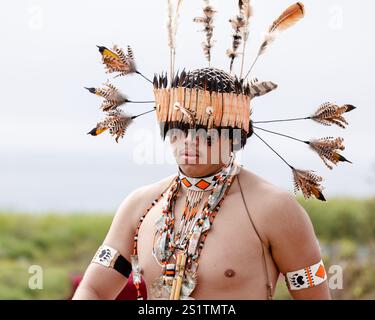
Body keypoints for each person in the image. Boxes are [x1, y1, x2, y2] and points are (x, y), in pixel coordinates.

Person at [73, 1, 354, 300]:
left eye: (206, 134)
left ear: (235, 137)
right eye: (178, 130)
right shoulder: (139, 207)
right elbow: (93, 289)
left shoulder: (277, 210)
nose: (189, 142)